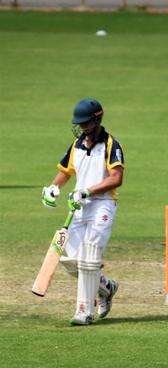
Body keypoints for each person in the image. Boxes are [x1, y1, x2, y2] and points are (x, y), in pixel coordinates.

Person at [41, 97, 123, 326]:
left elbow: (117, 178)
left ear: (97, 120)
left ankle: (84, 312)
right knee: (71, 260)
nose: (82, 128)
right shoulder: (76, 145)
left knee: (89, 257)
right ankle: (106, 288)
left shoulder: (111, 145)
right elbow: (66, 171)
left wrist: (88, 191)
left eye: (86, 123)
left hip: (103, 205)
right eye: (80, 124)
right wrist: (53, 188)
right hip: (78, 206)